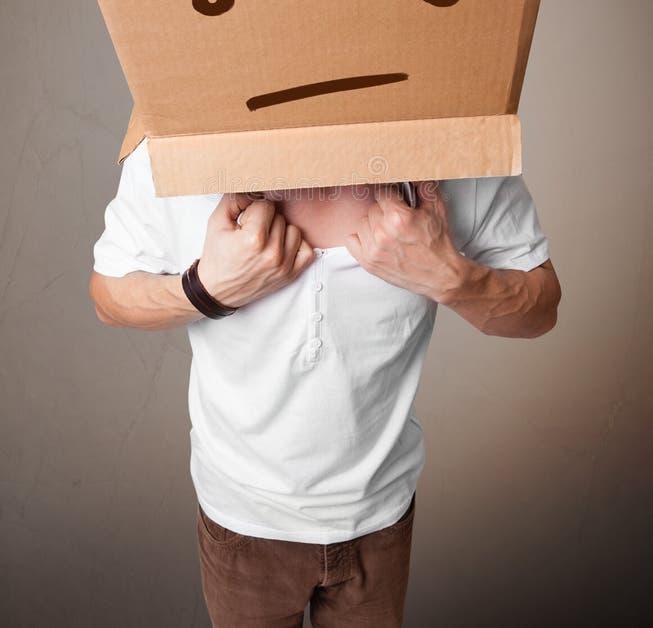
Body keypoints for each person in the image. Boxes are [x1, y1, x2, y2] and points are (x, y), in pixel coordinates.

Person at [90, 139, 561, 628]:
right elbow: (109, 297)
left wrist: (453, 277)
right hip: (241, 518)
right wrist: (206, 289)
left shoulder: (450, 139)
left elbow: (541, 308)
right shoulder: (178, 145)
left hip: (380, 517)